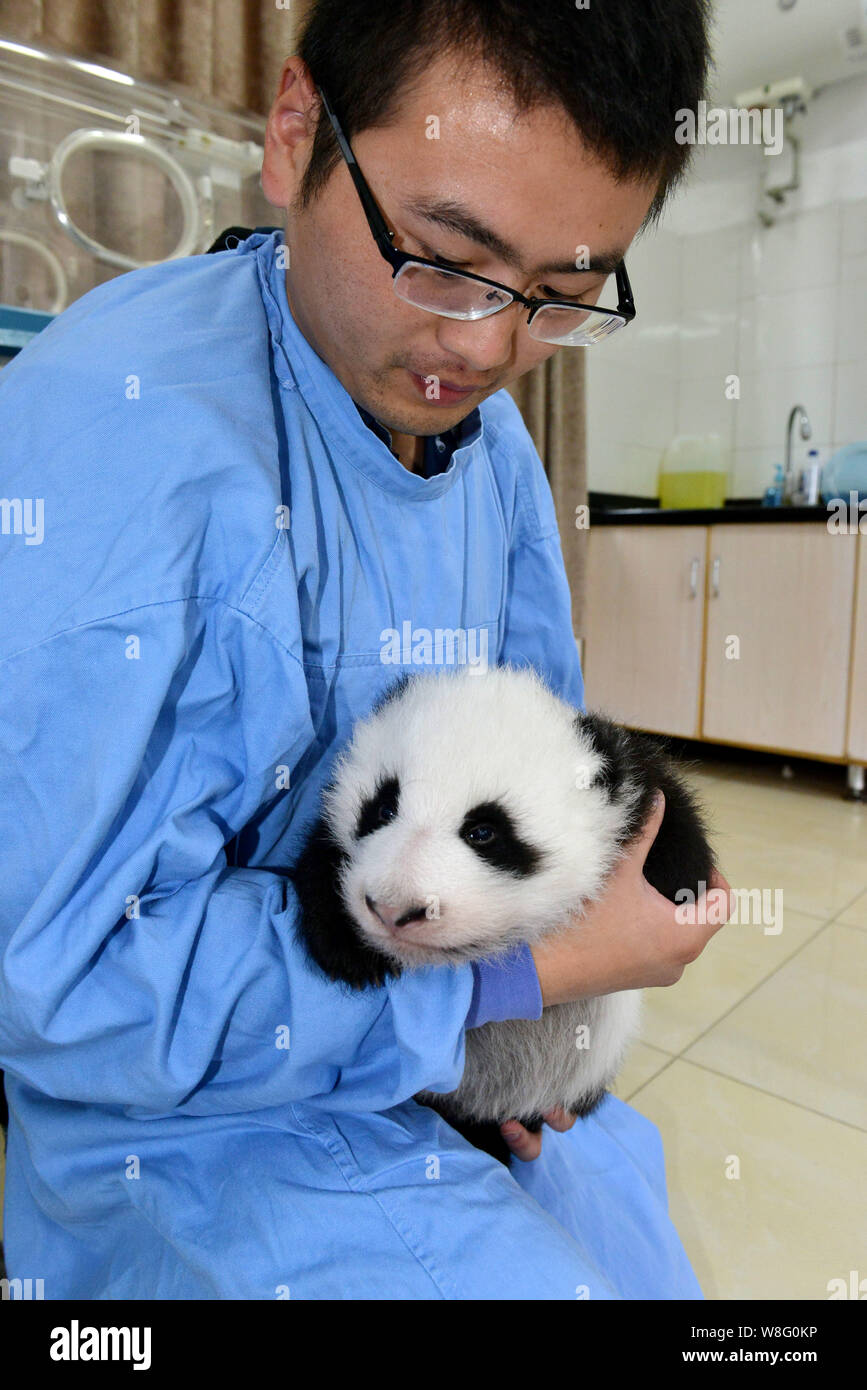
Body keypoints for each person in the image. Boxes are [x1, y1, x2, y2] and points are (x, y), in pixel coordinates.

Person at [0, 0, 730, 1299]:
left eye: (559, 297)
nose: (487, 348)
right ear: (296, 135)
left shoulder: (492, 453)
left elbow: (541, 770)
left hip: (451, 1064)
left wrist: (526, 1011)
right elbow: (65, 990)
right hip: (183, 1131)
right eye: (446, 260)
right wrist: (515, 971)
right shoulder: (106, 453)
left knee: (631, 1235)